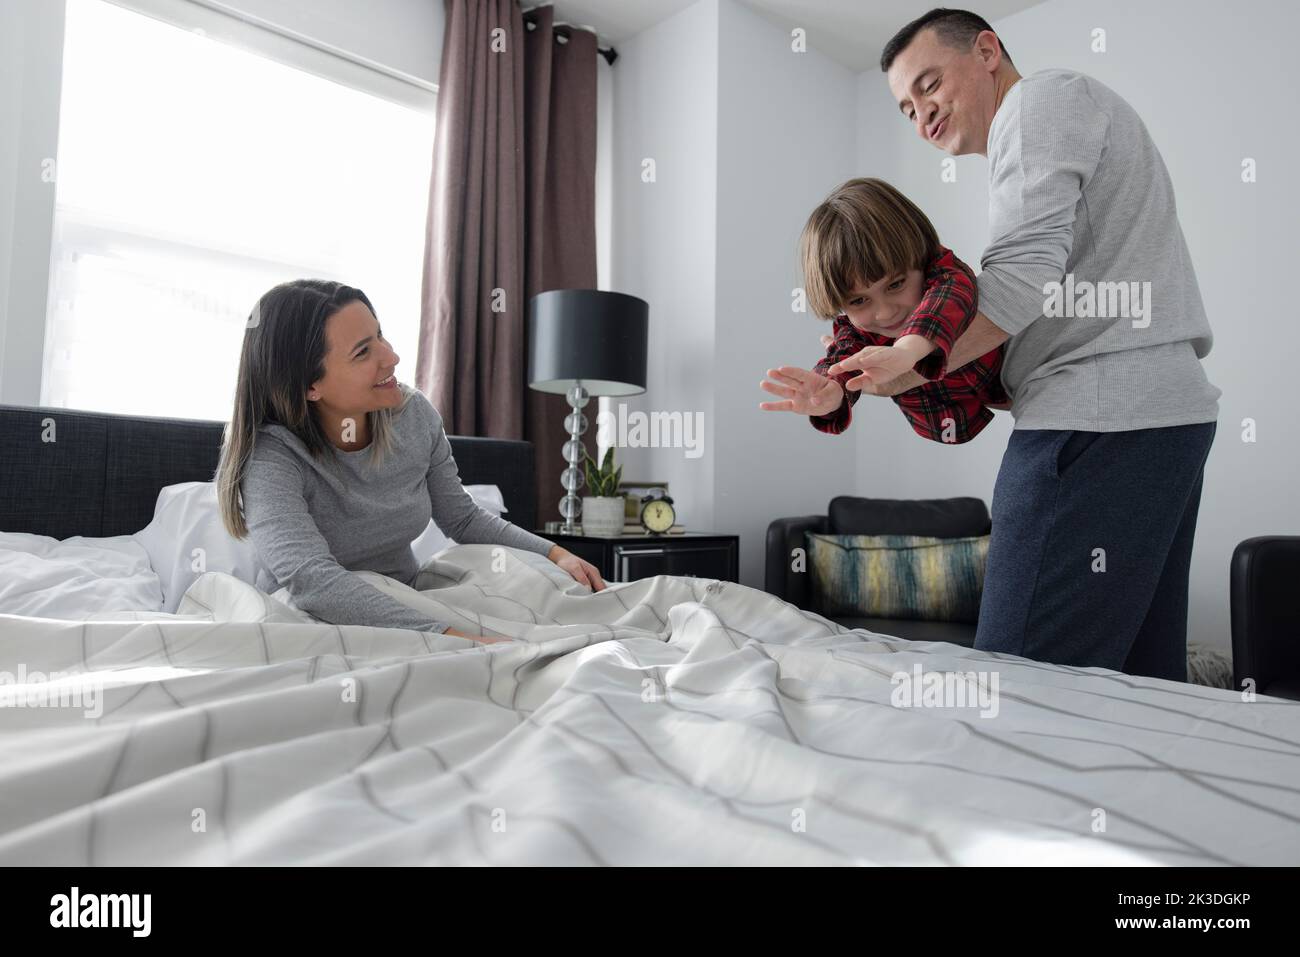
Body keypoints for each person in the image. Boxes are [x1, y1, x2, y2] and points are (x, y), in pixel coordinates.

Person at [824, 9, 1219, 680]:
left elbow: (1022, 277)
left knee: (1017, 687)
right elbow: (1043, 308)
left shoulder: (1038, 103)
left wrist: (914, 358)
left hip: (1098, 421)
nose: (921, 114)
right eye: (904, 108)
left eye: (929, 85)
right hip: (1161, 419)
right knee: (1144, 684)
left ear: (986, 50)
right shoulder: (1044, 128)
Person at [215, 279, 604, 644]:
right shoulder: (271, 458)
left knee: (557, 608)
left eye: (379, 335)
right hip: (316, 618)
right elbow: (313, 582)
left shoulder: (412, 415)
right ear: (309, 386)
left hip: (410, 597)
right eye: (363, 352)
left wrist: (556, 554)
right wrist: (449, 637)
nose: (392, 357)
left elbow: (462, 518)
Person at [759, 176, 1010, 444]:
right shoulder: (855, 332)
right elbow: (840, 363)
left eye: (896, 284)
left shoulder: (944, 275)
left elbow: (947, 299)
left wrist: (907, 350)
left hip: (1025, 373)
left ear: (922, 258)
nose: (886, 312)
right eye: (858, 301)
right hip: (965, 414)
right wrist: (831, 392)